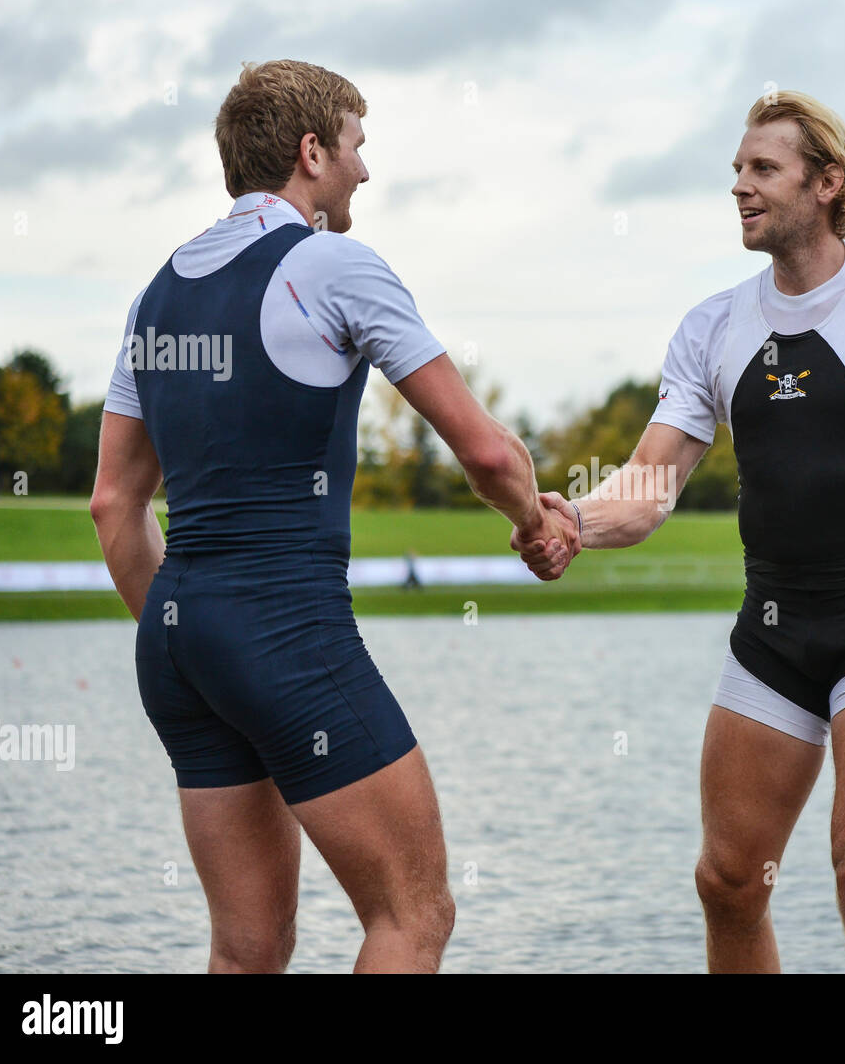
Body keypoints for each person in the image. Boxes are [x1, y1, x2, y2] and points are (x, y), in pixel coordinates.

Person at [515, 90, 845, 973]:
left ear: (828, 182)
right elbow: (648, 488)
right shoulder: (714, 326)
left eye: (763, 169)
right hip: (774, 632)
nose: (740, 187)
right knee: (728, 881)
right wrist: (573, 521)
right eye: (736, 171)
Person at [90, 59, 578, 974]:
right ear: (311, 151)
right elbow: (483, 449)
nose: (365, 170)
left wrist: (194, 637)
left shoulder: (155, 297)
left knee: (246, 947)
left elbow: (114, 503)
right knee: (412, 914)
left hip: (179, 640)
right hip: (285, 628)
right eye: (357, 146)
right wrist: (531, 518)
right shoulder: (333, 264)